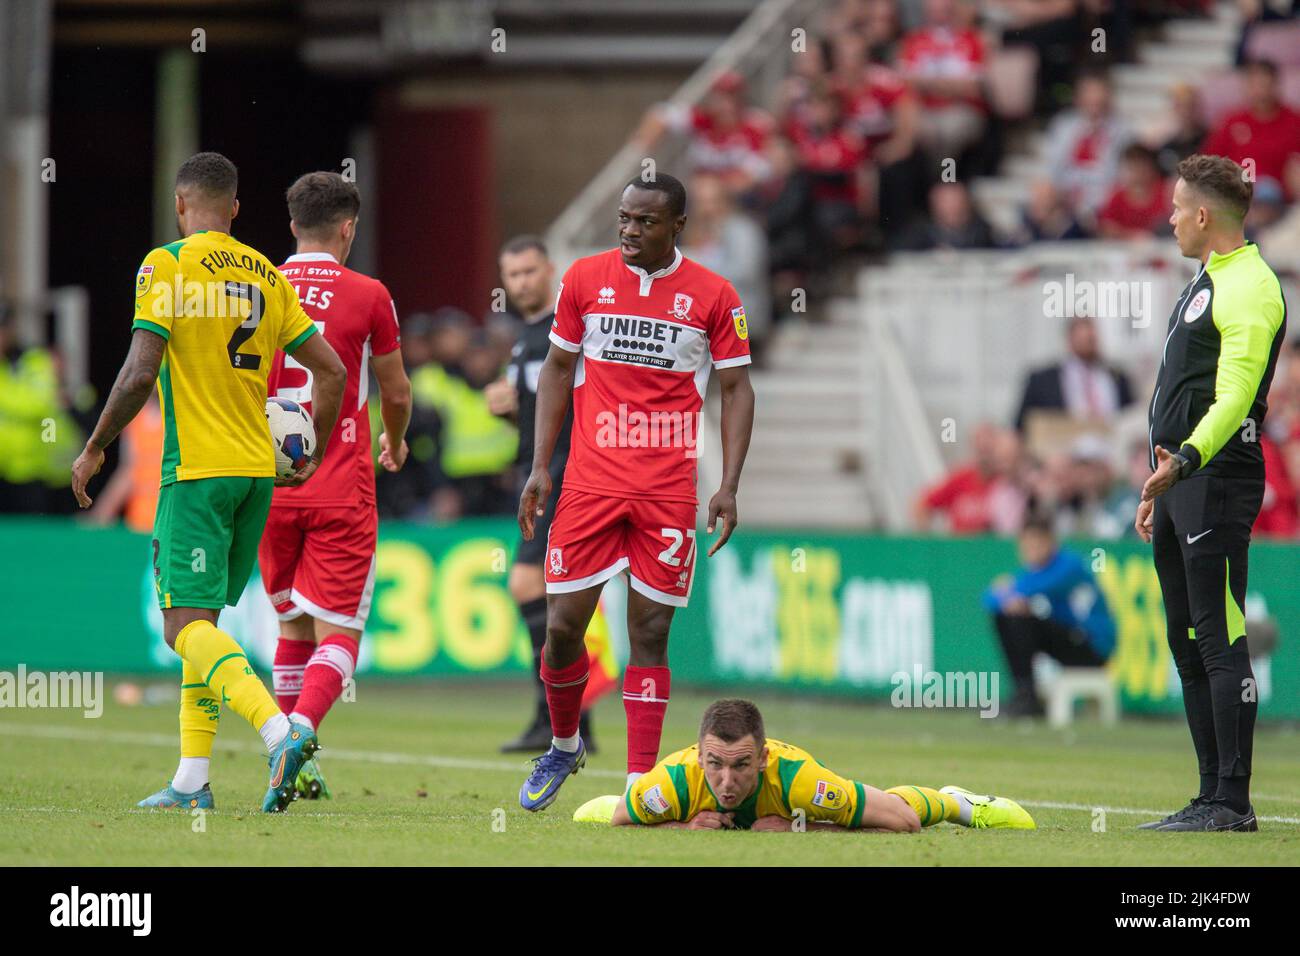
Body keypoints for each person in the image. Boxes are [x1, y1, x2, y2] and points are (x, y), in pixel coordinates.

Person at [70, 152, 347, 813]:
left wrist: (94, 446)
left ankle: (279, 733)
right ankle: (193, 780)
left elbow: (140, 372)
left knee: (180, 628)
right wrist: (309, 451)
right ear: (237, 210)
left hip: (196, 469)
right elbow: (331, 371)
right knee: (206, 625)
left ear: (179, 205)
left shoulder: (165, 265)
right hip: (257, 473)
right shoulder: (267, 275)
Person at [516, 172, 756, 811]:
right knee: (563, 628)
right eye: (624, 218)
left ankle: (638, 784)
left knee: (649, 634)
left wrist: (727, 484)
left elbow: (736, 388)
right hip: (590, 484)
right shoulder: (584, 280)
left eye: (646, 221)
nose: (629, 229)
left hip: (667, 491)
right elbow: (558, 368)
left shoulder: (713, 295)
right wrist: (541, 466)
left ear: (677, 226)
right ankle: (564, 744)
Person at [1136, 153, 1287, 832]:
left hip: (1217, 476)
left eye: (1175, 208)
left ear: (1203, 214)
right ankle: (1207, 797)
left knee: (1221, 636)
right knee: (1185, 638)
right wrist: (1158, 475)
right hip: (1180, 481)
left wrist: (1189, 457)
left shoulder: (1251, 284)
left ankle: (1233, 800)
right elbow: (1184, 388)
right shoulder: (1206, 279)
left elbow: (1235, 396)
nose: (1168, 219)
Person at [256, 171, 411, 800]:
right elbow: (395, 391)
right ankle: (296, 735)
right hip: (339, 480)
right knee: (340, 629)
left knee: (292, 624)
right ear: (349, 228)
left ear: (292, 226)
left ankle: (294, 762)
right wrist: (394, 440)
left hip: (266, 483)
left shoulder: (253, 287)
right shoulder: (369, 293)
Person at [584, 698, 1035, 831]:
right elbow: (623, 820)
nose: (725, 781)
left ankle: (956, 802)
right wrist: (682, 828)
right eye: (714, 765)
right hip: (662, 802)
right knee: (625, 807)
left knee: (896, 810)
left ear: (762, 759)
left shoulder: (801, 782)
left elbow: (903, 826)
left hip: (798, 805)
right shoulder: (675, 780)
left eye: (741, 765)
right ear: (699, 756)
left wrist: (802, 829)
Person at [484, 235, 596, 754]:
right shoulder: (525, 338)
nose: (523, 282)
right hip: (539, 475)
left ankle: (553, 720)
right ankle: (573, 722)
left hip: (567, 473)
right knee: (555, 599)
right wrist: (505, 409)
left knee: (530, 585)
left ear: (550, 269)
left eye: (531, 271)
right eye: (514, 275)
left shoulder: (572, 327)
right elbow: (533, 416)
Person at [983, 516, 1116, 717]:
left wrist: (1007, 592)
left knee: (1020, 619)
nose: (1031, 550)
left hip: (1092, 646)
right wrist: (1009, 597)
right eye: (1026, 545)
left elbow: (1028, 588)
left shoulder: (1069, 565)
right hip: (1069, 639)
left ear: (1050, 542)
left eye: (1036, 544)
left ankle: (1027, 697)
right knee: (1007, 616)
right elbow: (988, 599)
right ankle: (1023, 691)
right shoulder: (1035, 572)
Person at [1014, 315, 1134, 432]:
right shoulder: (1042, 381)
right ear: (1070, 339)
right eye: (1082, 339)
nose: (1088, 344)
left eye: (1091, 339)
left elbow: (1131, 416)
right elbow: (1023, 425)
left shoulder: (1117, 377)